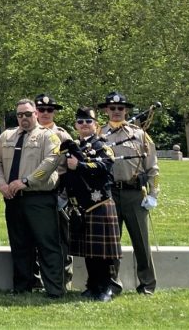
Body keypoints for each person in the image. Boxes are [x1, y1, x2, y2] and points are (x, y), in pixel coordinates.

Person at [0, 97, 65, 298]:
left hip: (39, 198)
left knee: (47, 244)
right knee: (19, 244)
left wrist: (27, 180)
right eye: (19, 115)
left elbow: (52, 161)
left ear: (35, 114)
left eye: (28, 114)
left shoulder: (48, 136)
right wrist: (1, 185)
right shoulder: (6, 136)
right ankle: (22, 286)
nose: (23, 118)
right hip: (13, 198)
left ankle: (54, 289)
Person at [99, 91, 159, 295]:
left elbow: (153, 168)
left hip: (134, 194)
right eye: (112, 108)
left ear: (126, 110)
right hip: (110, 193)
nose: (116, 112)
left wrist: (153, 195)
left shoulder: (140, 134)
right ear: (106, 110)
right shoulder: (100, 134)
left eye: (120, 108)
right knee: (111, 242)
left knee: (141, 242)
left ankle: (147, 285)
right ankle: (112, 283)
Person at [62, 107, 121, 302]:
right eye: (80, 121)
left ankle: (105, 287)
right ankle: (92, 285)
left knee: (102, 253)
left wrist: (79, 165)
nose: (84, 124)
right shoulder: (75, 145)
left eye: (88, 121)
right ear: (75, 125)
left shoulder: (101, 145)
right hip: (82, 205)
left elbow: (105, 166)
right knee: (90, 251)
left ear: (96, 125)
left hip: (100, 203)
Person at [35, 93, 74, 290]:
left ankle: (64, 280)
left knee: (60, 239)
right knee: (36, 238)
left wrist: (65, 196)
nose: (45, 113)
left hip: (58, 192)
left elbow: (70, 169)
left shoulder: (63, 136)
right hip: (36, 193)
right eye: (41, 110)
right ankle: (38, 280)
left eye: (50, 110)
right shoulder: (27, 134)